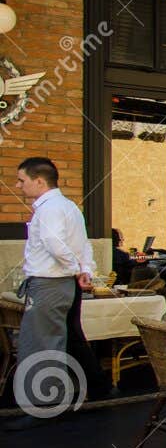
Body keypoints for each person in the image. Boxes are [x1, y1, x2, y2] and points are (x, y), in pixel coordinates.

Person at [9, 158, 101, 427]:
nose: (18, 186)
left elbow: (54, 244)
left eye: (22, 180)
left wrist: (76, 269)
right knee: (68, 338)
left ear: (39, 181)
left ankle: (42, 407)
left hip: (49, 284)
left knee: (39, 343)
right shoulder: (69, 206)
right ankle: (96, 391)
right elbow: (84, 245)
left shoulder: (49, 209)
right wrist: (84, 269)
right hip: (64, 284)